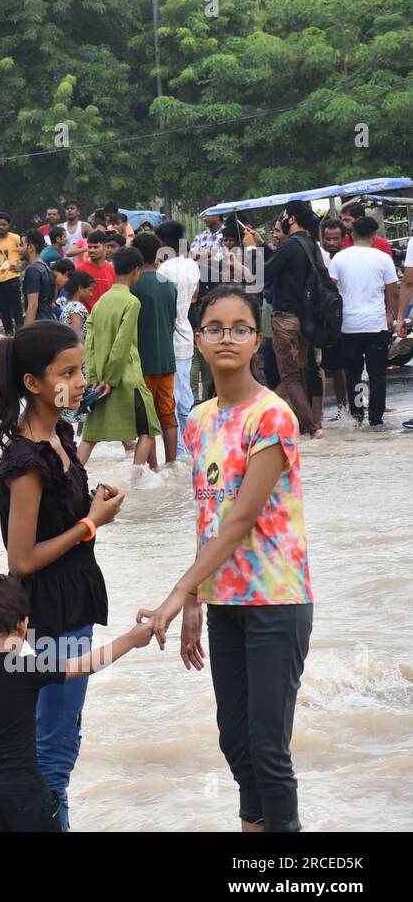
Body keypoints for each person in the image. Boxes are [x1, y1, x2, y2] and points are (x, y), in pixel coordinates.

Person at [140, 286, 313, 832]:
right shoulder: (202, 419)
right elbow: (208, 518)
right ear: (198, 338)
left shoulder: (272, 415)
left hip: (275, 599)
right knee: (236, 743)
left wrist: (175, 591)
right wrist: (194, 596)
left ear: (256, 340)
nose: (227, 337)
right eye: (215, 327)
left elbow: (240, 519)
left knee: (268, 748)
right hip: (224, 601)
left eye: (240, 327)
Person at [0, 320, 127, 828]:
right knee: (54, 750)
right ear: (32, 383)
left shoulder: (62, 435)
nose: (79, 381)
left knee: (62, 736)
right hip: (50, 611)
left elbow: (61, 525)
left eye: (81, 369)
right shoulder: (27, 460)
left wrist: (90, 509)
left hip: (73, 600)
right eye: (66, 373)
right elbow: (20, 560)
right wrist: (91, 522)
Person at [0, 573, 152, 831]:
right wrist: (132, 639)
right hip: (26, 792)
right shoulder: (28, 667)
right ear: (23, 627)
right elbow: (86, 665)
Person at [77, 247, 161, 470]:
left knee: (90, 436)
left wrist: (95, 379)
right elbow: (122, 346)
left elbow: (90, 343)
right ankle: (137, 481)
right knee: (149, 429)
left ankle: (70, 476)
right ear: (136, 271)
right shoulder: (132, 302)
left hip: (99, 380)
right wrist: (112, 380)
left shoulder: (101, 301)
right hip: (126, 379)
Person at [262, 200, 325, 440]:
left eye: (285, 216)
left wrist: (250, 251)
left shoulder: (289, 245)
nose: (282, 221)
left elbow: (263, 274)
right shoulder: (311, 244)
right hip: (307, 320)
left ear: (292, 219)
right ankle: (311, 421)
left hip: (286, 319)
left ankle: (312, 427)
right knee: (306, 369)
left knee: (290, 375)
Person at [329, 215, 398, 426]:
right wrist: (390, 315)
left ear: (351, 234)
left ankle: (357, 416)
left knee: (353, 373)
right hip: (376, 323)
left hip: (349, 324)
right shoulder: (383, 258)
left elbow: (331, 288)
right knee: (377, 373)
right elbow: (392, 291)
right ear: (374, 235)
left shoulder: (339, 258)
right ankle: (376, 418)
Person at [131, 233, 179, 465]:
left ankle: (152, 468)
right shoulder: (169, 286)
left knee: (146, 419)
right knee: (168, 414)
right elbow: (172, 323)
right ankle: (172, 463)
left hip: (143, 362)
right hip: (167, 360)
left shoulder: (133, 286)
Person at [156, 221, 201, 451]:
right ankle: (191, 445)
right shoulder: (192, 266)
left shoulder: (163, 271)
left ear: (162, 243)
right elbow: (194, 296)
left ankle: (180, 450)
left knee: (171, 396)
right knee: (185, 394)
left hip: (168, 337)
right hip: (185, 333)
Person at [317, 219, 350, 421]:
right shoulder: (319, 257)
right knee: (335, 368)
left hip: (350, 316)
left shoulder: (349, 258)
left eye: (335, 238)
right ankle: (341, 409)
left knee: (354, 366)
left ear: (343, 238)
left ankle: (362, 405)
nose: (331, 242)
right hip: (329, 319)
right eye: (328, 238)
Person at [0, 213, 22, 334]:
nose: (1, 227)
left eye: (4, 225)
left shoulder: (15, 238)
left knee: (16, 307)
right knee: (3, 309)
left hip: (12, 278)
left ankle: (20, 331)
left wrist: (21, 267)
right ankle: (8, 332)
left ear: (9, 225)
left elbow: (27, 252)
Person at [20, 230, 56, 327]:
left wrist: (25, 332)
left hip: (38, 325)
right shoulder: (46, 268)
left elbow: (33, 306)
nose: (18, 249)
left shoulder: (32, 270)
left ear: (31, 247)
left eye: (21, 245)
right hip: (48, 321)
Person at [76, 232, 116, 309]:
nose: (91, 250)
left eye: (95, 247)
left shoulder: (112, 270)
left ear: (105, 247)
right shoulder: (79, 270)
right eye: (89, 247)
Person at [58, 271, 93, 341]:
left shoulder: (68, 305)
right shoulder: (77, 306)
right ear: (79, 288)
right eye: (90, 290)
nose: (91, 294)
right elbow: (77, 333)